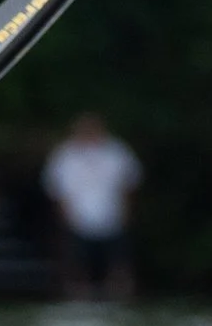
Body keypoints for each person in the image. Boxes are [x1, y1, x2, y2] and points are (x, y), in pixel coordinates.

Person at [42, 113, 142, 300]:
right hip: (78, 221)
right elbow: (57, 190)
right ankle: (78, 298)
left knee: (118, 265)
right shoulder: (65, 155)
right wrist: (66, 218)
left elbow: (129, 184)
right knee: (78, 267)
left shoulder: (117, 151)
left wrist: (126, 214)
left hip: (112, 218)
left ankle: (120, 296)